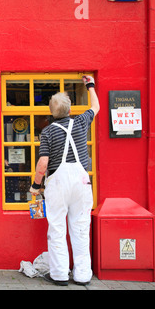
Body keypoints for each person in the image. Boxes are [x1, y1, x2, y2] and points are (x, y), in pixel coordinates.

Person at [29, 75, 100, 286]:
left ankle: (59, 274)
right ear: (70, 110)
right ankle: (82, 275)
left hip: (58, 185)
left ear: (51, 112)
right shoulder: (80, 122)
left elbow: (43, 163)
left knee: (57, 228)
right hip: (80, 182)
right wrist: (90, 85)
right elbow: (95, 106)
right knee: (80, 227)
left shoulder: (48, 132)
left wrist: (35, 186)